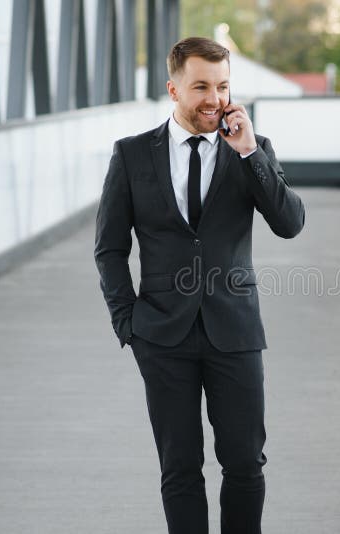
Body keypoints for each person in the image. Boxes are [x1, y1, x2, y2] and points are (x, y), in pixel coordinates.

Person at [93, 36, 305, 534]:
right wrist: (128, 323)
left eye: (223, 86)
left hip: (234, 332)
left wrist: (250, 151)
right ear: (173, 88)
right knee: (180, 468)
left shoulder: (251, 151)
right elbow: (109, 247)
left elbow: (291, 222)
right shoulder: (131, 155)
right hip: (161, 336)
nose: (214, 98)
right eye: (202, 86)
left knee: (246, 464)